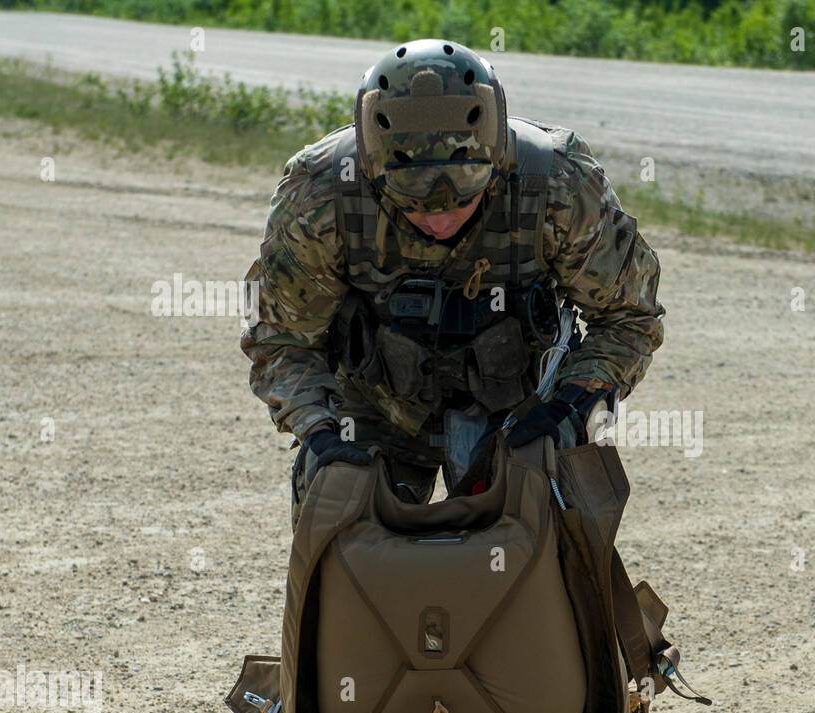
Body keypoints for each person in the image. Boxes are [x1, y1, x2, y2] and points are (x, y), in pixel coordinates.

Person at [240, 38, 665, 525]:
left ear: (496, 163)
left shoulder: (555, 186)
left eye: (461, 200)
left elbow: (629, 318)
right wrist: (321, 435)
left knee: (544, 560)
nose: (439, 223)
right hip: (372, 412)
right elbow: (280, 338)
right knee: (341, 531)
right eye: (412, 205)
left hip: (523, 415)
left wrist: (570, 411)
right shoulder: (320, 196)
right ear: (375, 174)